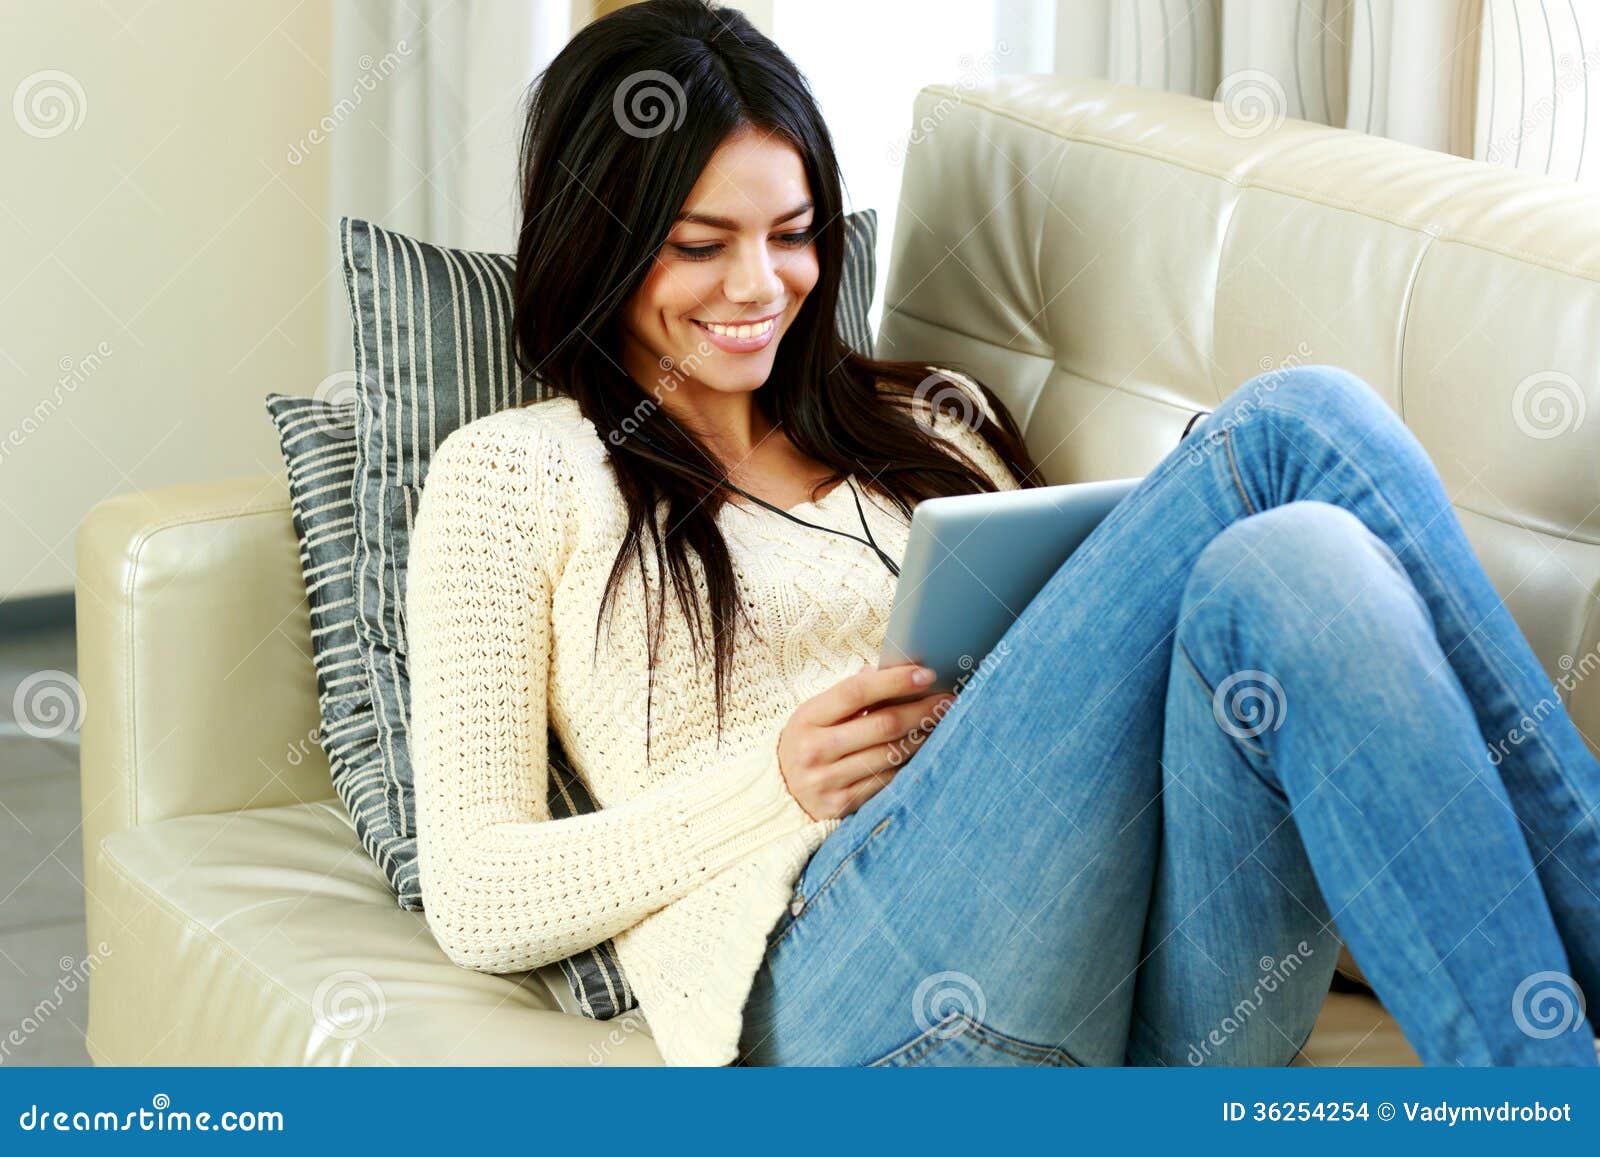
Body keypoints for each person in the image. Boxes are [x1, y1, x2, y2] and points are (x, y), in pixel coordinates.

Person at [405, 0, 1599, 1067]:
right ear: (600, 241)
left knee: (1295, 563)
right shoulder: (514, 476)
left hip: (1141, 1001)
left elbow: (1086, 710)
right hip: (846, 1004)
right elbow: (472, 892)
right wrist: (774, 787)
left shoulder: (929, 422)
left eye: (795, 232)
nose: (762, 284)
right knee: (1300, 419)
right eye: (701, 245)